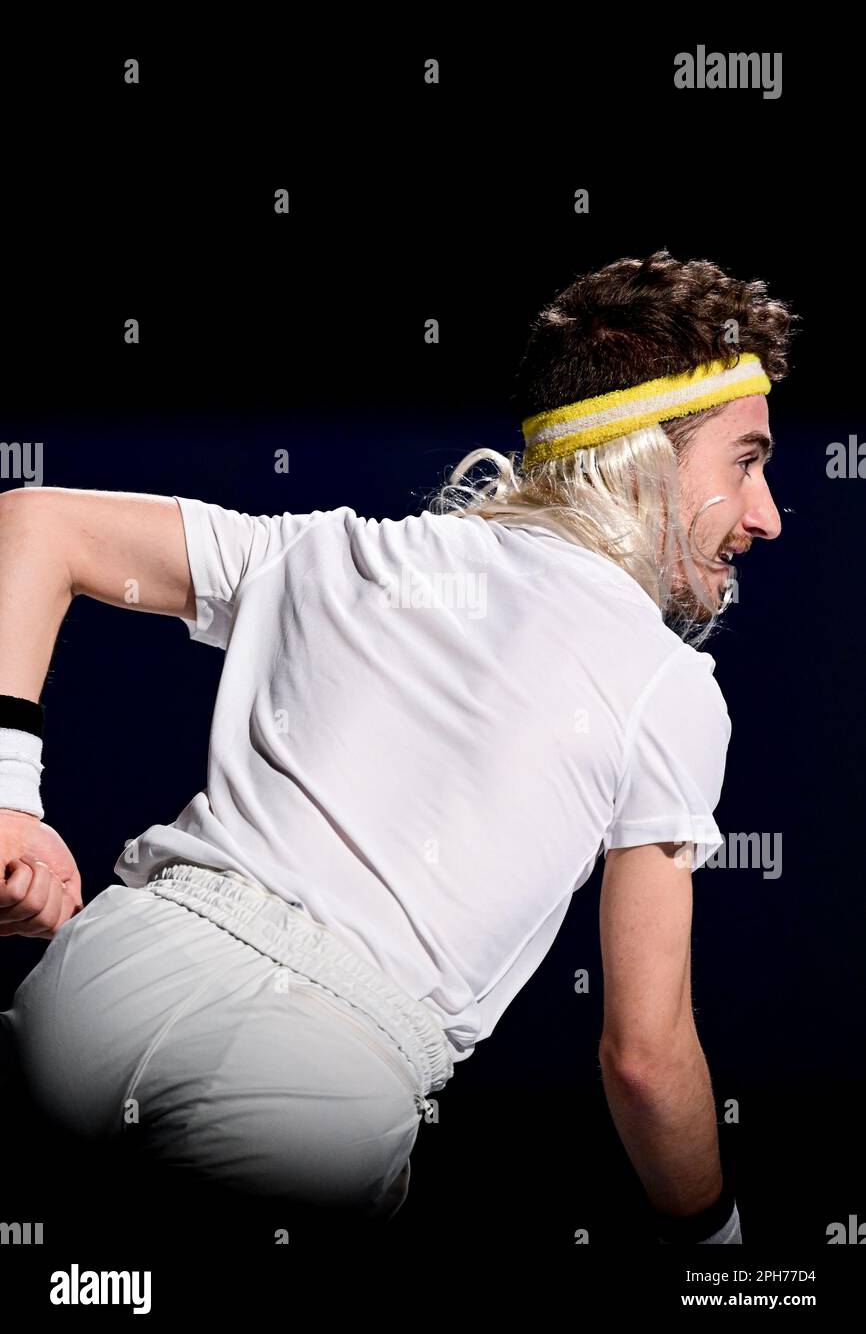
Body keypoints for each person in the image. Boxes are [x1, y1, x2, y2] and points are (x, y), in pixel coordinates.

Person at [0, 250, 797, 1240]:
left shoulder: (335, 549)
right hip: (318, 1069)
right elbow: (644, 1053)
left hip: (106, 975)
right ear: (641, 455)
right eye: (746, 462)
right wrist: (719, 1250)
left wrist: (6, 796)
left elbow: (33, 524)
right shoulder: (670, 688)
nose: (764, 515)